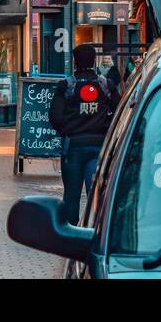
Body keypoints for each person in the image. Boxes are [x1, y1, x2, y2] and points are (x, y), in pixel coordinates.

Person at [48, 43, 120, 226]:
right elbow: (119, 112)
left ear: (74, 61)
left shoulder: (66, 86)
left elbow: (55, 116)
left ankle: (70, 232)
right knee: (95, 195)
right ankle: (95, 232)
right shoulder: (106, 85)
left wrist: (68, 128)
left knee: (71, 195)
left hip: (73, 147)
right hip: (99, 146)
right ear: (94, 60)